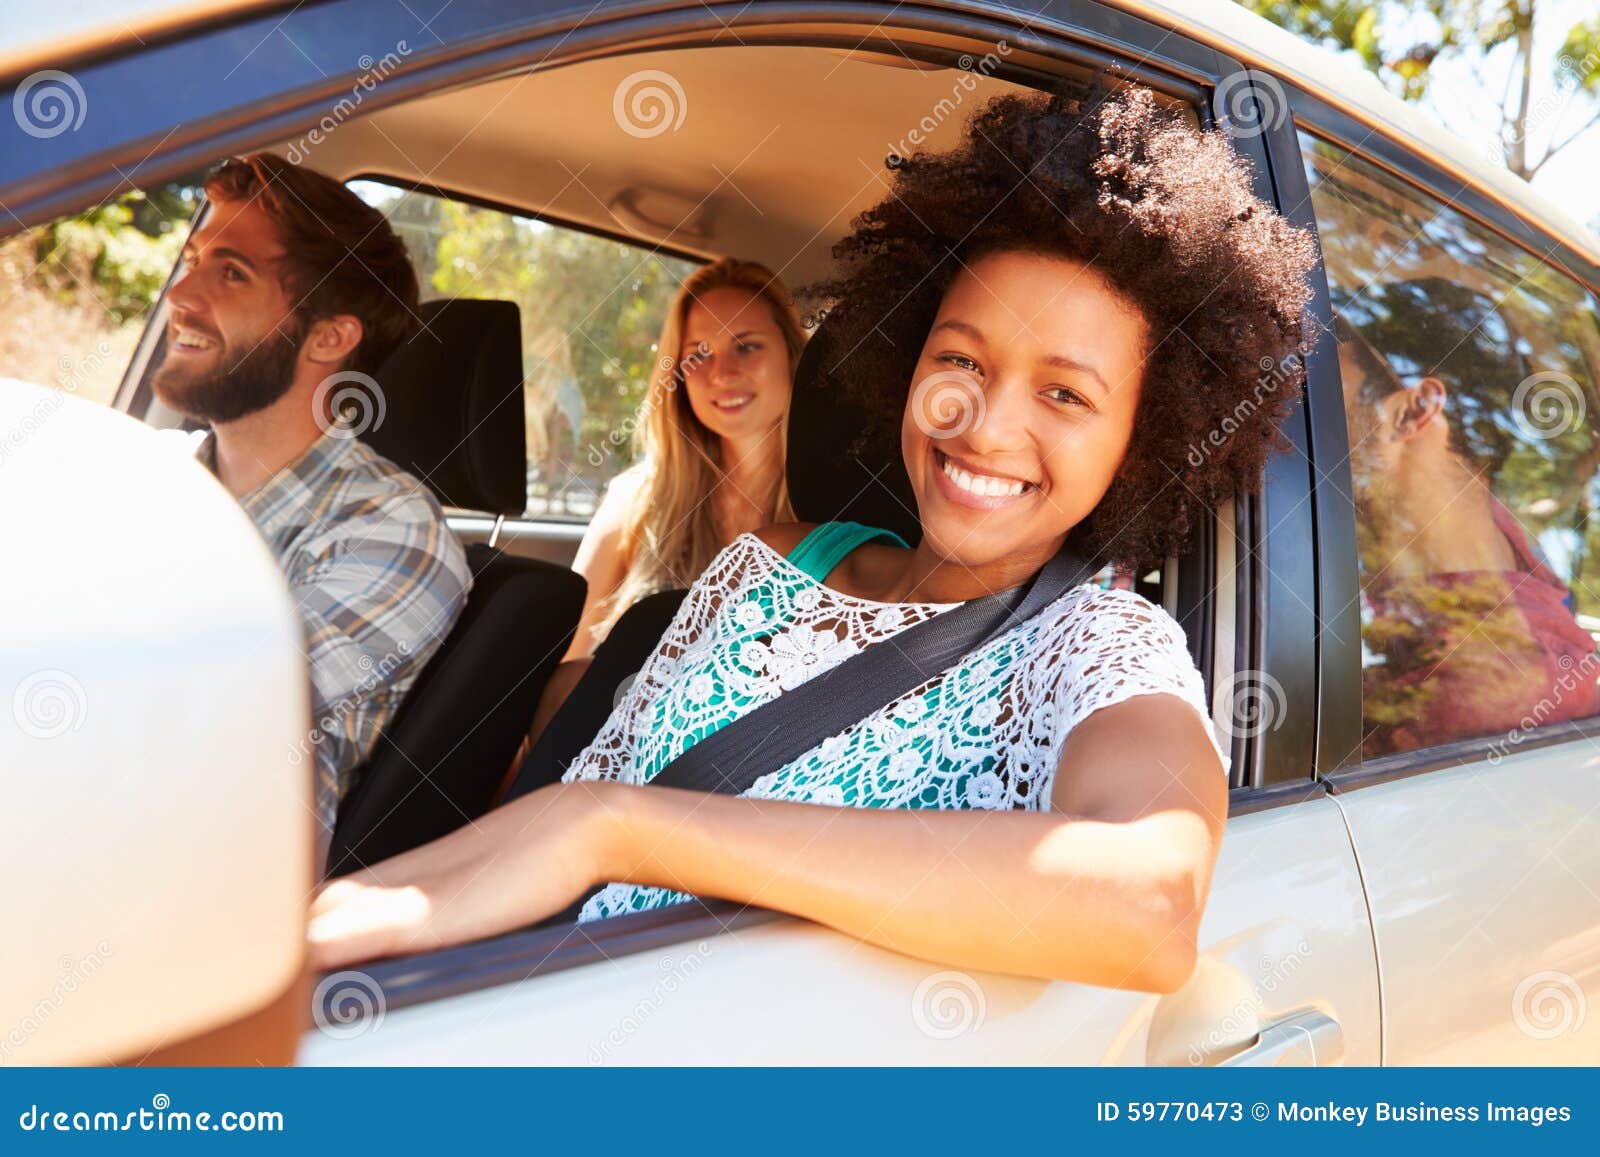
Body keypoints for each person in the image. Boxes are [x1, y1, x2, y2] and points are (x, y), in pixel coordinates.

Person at [308, 84, 1317, 992]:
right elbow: (562, 804)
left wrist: (628, 828)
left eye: (1063, 392)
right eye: (960, 357)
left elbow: (1145, 905)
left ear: (1142, 438)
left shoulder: (1098, 648)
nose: (986, 422)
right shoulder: (779, 557)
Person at [153, 153, 471, 849]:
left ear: (329, 336)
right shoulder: (152, 478)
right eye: (194, 258)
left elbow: (229, 732)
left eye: (230, 272)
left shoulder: (390, 532)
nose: (181, 293)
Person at [520, 259, 803, 748]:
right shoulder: (637, 498)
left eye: (747, 346)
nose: (722, 372)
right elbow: (563, 678)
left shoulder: (838, 512)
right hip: (611, 763)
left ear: (793, 357)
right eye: (698, 355)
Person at [1335, 310, 1600, 755]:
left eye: (1323, 398)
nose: (1292, 418)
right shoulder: (1493, 532)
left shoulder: (1470, 696)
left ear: (1415, 411)